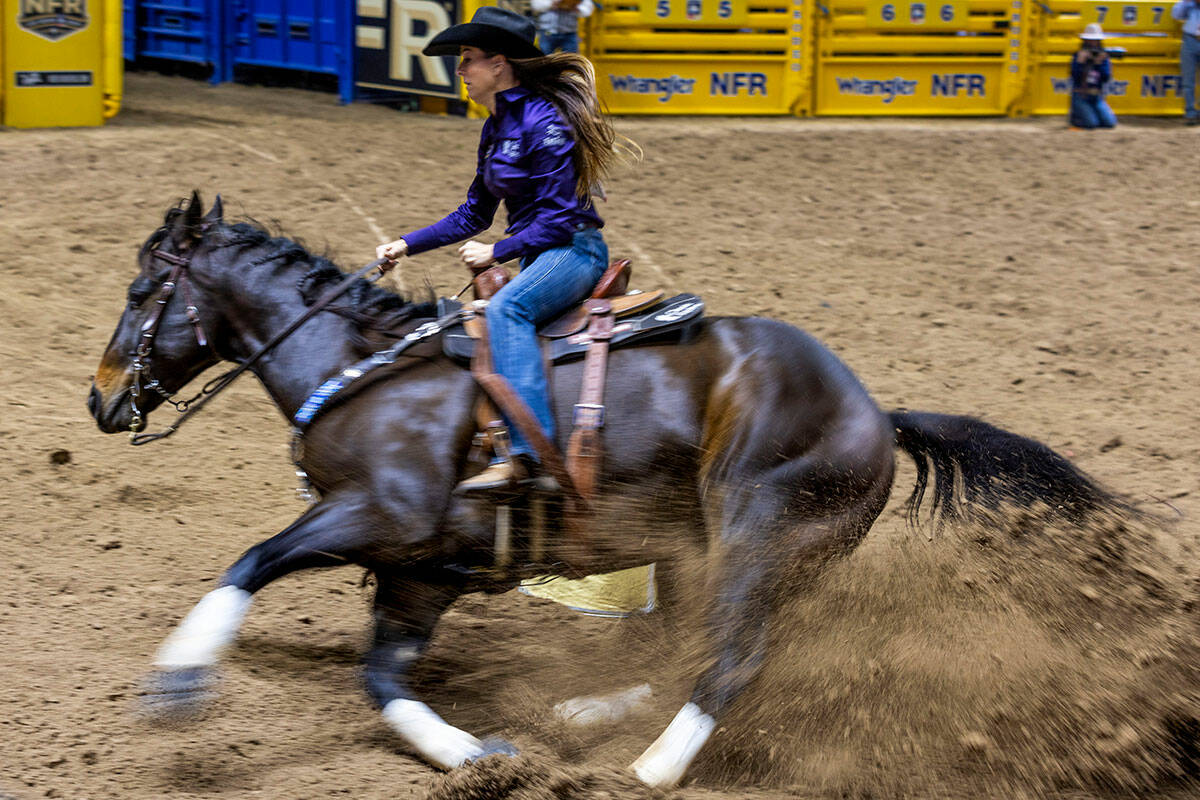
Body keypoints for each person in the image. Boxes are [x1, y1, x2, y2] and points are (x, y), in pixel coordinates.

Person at [375, 6, 627, 493]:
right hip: (541, 254)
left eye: (468, 58)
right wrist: (405, 245)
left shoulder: (546, 122)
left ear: (499, 64)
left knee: (508, 309)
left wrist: (497, 252)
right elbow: (473, 213)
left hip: (573, 251)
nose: (461, 70)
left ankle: (530, 455)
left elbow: (559, 221)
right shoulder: (495, 127)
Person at [1069, 24, 1117, 130]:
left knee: (1109, 123)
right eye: (1089, 40)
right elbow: (1074, 76)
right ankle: (1077, 117)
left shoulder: (1103, 58)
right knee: (1091, 124)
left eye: (1094, 40)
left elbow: (1106, 77)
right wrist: (1081, 63)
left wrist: (1099, 64)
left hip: (1097, 97)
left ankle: (1086, 115)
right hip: (1081, 95)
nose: (1092, 43)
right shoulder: (1078, 56)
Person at [531, 0, 595, 54]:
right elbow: (536, 5)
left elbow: (588, 9)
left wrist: (576, 8)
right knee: (545, 60)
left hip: (569, 33)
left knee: (571, 60)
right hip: (548, 32)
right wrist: (552, 4)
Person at [1172, 0, 1200, 124]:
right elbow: (1176, 15)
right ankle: (1190, 113)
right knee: (1188, 80)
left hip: (1191, 40)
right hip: (1190, 39)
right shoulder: (1190, 5)